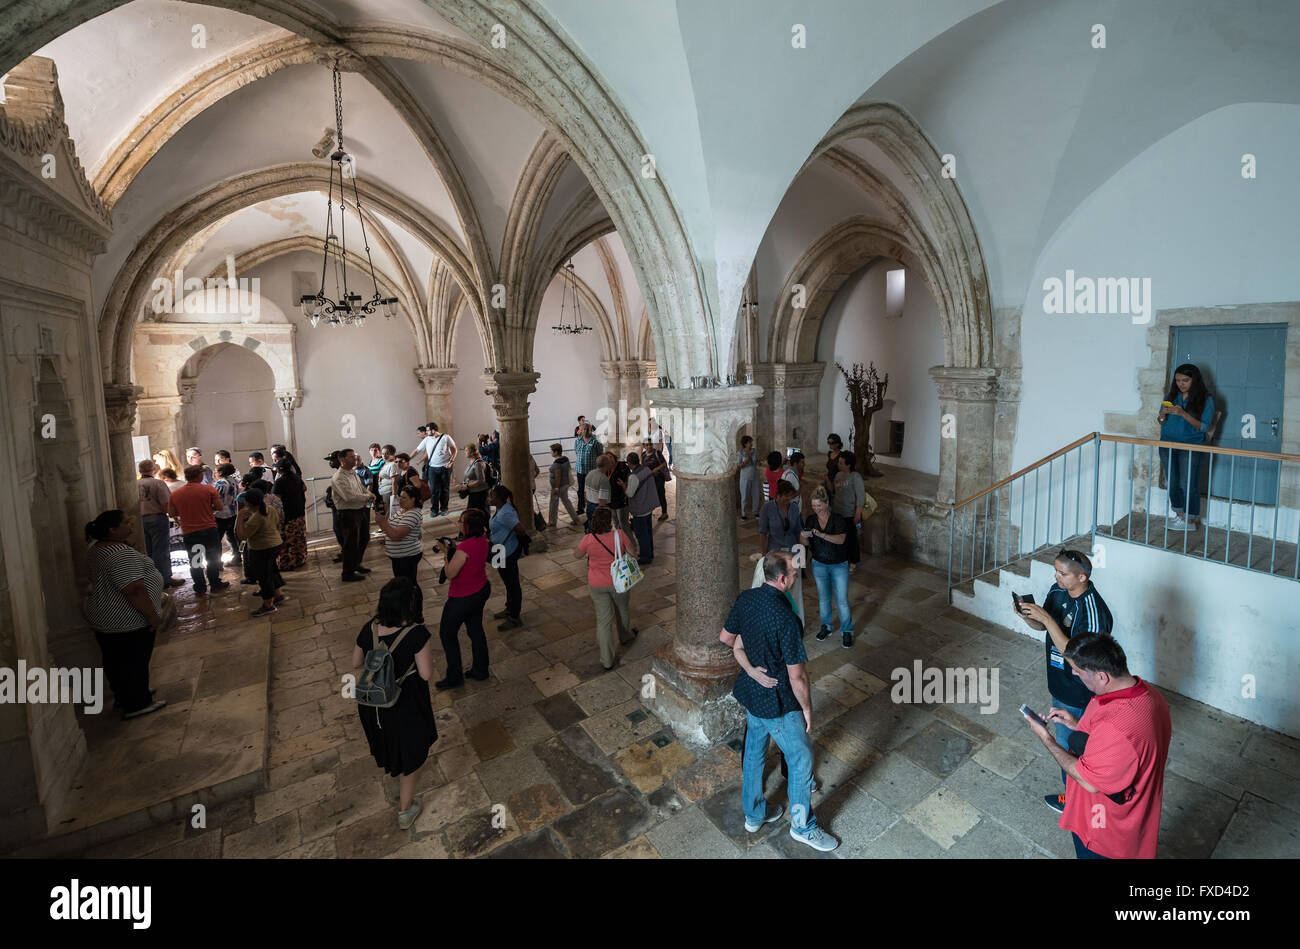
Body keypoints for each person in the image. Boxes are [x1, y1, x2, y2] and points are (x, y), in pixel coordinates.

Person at [719, 551, 838, 852]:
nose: (799, 574)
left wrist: (749, 669)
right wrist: (808, 708)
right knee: (801, 760)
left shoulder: (746, 599)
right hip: (778, 702)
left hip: (752, 695)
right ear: (782, 579)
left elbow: (726, 638)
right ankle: (803, 826)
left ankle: (754, 815)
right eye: (796, 571)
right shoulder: (787, 618)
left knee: (754, 753)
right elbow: (797, 677)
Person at [1021, 633, 1170, 859]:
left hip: (1104, 829)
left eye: (1078, 671)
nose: (1074, 673)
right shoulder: (1149, 694)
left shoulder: (1118, 729)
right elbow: (1121, 747)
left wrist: (1047, 739)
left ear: (1102, 677)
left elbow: (1089, 781)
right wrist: (1077, 724)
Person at [1015, 548, 1114, 801]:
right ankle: (1073, 795)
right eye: (1056, 572)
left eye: (1064, 573)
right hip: (1058, 683)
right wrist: (1029, 617)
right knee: (1066, 743)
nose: (1058, 578)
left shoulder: (1093, 610)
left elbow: (1077, 656)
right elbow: (1043, 626)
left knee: (1072, 749)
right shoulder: (1057, 590)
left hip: (1079, 692)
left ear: (1083, 577)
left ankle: (1075, 800)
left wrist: (1047, 620)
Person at [353, 577, 438, 829]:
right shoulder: (416, 634)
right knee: (409, 758)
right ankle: (405, 810)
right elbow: (425, 674)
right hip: (404, 705)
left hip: (372, 705)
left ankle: (395, 769)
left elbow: (356, 662)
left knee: (389, 744)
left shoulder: (370, 627)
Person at [83, 510, 167, 720]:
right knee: (134, 660)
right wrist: (152, 614)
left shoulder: (98, 549)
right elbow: (134, 589)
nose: (130, 526)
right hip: (126, 619)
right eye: (125, 523)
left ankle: (128, 695)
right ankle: (137, 703)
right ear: (112, 530)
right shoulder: (120, 554)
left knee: (117, 661)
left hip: (108, 618)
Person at [430, 508, 491, 689]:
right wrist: (453, 551)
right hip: (480, 589)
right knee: (476, 631)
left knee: (447, 634)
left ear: (468, 526)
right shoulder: (483, 539)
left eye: (460, 521)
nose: (458, 524)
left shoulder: (464, 547)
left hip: (462, 598)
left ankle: (454, 677)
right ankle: (481, 670)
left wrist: (445, 554)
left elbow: (450, 573)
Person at [577, 507, 637, 670]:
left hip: (597, 584)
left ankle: (607, 660)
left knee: (603, 621)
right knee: (622, 609)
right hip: (619, 582)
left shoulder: (588, 539)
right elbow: (633, 552)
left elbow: (577, 555)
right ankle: (625, 636)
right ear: (610, 521)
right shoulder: (619, 535)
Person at [1158, 363, 1215, 531]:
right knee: (1173, 482)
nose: (1180, 384)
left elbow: (1204, 427)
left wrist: (1183, 413)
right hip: (1167, 443)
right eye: (1177, 380)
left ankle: (1190, 520)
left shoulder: (1206, 399)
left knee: (1187, 483)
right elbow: (1160, 421)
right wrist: (1162, 415)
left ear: (1194, 380)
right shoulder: (1170, 395)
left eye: (1185, 380)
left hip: (1191, 446)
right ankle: (1179, 515)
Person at [801, 486, 853, 647]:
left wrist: (822, 535)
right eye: (814, 505)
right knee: (823, 598)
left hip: (839, 565)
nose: (816, 509)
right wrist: (802, 536)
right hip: (819, 564)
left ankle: (847, 631)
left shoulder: (838, 519)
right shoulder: (810, 519)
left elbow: (841, 539)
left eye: (819, 505)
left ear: (827, 503)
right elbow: (805, 543)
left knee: (842, 599)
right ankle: (826, 626)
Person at [167, 465, 228, 597]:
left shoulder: (176, 494)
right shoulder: (208, 489)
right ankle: (215, 584)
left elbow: (171, 513)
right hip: (209, 528)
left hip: (190, 531)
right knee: (213, 559)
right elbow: (219, 506)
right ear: (199, 476)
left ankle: (200, 588)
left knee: (196, 562)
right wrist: (207, 509)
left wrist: (184, 513)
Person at [755, 479, 804, 628]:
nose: (789, 500)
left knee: (794, 587)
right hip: (774, 550)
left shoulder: (794, 508)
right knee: (776, 587)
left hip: (792, 551)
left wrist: (801, 553)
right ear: (778, 495)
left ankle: (794, 618)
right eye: (786, 496)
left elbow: (798, 531)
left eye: (791, 496)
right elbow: (762, 532)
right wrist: (764, 554)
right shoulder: (767, 508)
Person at [375, 483, 425, 623]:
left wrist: (382, 523)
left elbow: (396, 535)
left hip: (407, 556)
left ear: (413, 499)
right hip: (399, 557)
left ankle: (416, 614)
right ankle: (409, 612)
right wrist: (383, 515)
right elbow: (391, 526)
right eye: (399, 497)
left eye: (403, 498)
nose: (399, 500)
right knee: (406, 585)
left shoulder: (413, 514)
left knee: (410, 585)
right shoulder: (403, 511)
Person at [236, 487, 285, 616]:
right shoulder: (270, 509)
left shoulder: (256, 518)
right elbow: (278, 521)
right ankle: (278, 594)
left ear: (247, 503)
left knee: (264, 576)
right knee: (272, 569)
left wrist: (239, 517)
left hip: (262, 548)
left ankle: (268, 604)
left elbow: (242, 536)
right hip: (275, 544)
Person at [331, 448, 373, 582]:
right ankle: (347, 573)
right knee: (351, 543)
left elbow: (361, 488)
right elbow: (349, 497)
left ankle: (356, 564)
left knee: (364, 538)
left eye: (354, 456)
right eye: (351, 457)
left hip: (360, 510)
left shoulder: (352, 472)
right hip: (348, 512)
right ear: (342, 460)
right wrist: (367, 497)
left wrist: (368, 494)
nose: (354, 459)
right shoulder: (338, 477)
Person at [488, 485, 524, 631]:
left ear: (498, 499)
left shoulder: (505, 514)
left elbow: (520, 530)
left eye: (491, 496)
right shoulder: (502, 509)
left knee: (512, 584)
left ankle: (515, 617)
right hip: (499, 550)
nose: (489, 499)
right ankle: (509, 608)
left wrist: (514, 547)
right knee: (507, 582)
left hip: (506, 552)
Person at [137, 459, 177, 585]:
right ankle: (164, 579)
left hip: (141, 519)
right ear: (153, 469)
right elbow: (166, 504)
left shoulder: (134, 484)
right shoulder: (158, 483)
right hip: (157, 518)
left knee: (147, 551)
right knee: (161, 550)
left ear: (139, 470)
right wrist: (175, 517)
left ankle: (151, 580)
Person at [414, 423, 456, 518]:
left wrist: (451, 461)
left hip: (445, 467)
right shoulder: (427, 439)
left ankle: (444, 508)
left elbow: (455, 450)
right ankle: (434, 509)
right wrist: (407, 458)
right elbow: (417, 450)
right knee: (434, 490)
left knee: (444, 489)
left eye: (428, 430)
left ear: (433, 430)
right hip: (432, 468)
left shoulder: (446, 437)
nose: (426, 432)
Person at [831, 450, 866, 567]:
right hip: (837, 511)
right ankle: (842, 559)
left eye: (841, 463)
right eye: (839, 462)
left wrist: (857, 514)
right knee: (839, 538)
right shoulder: (838, 475)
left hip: (849, 513)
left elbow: (861, 497)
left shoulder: (855, 477)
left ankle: (853, 561)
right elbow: (836, 492)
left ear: (848, 465)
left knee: (851, 539)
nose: (838, 465)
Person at [273, 459, 308, 570]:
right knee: (299, 537)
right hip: (299, 513)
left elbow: (276, 499)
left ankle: (287, 563)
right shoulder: (297, 478)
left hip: (287, 515)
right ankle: (300, 559)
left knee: (287, 541)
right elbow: (305, 488)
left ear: (279, 469)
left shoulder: (279, 482)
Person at [626, 452, 658, 565]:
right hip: (648, 507)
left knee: (641, 534)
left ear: (630, 463)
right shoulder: (646, 470)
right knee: (648, 532)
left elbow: (630, 494)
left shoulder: (633, 476)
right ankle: (649, 553)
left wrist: (624, 486)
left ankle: (645, 557)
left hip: (640, 509)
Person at [213, 463, 242, 571]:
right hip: (232, 512)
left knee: (217, 539)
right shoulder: (233, 481)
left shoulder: (220, 483)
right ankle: (237, 557)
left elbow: (216, 498)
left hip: (220, 514)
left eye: (215, 471)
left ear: (220, 472)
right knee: (232, 537)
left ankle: (217, 563)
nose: (214, 474)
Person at [547, 443, 581, 527]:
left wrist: (556, 488)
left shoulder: (557, 463)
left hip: (558, 486)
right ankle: (575, 519)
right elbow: (568, 469)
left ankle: (552, 522)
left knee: (553, 504)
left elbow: (558, 476)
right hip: (565, 484)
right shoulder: (566, 459)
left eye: (551, 451)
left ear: (556, 452)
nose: (550, 452)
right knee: (566, 501)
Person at [573, 421, 603, 507]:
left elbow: (600, 454)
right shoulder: (578, 441)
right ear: (580, 430)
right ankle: (581, 507)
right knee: (581, 490)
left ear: (590, 430)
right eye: (583, 429)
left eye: (586, 429)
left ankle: (593, 507)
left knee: (592, 491)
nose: (585, 431)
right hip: (580, 470)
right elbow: (576, 452)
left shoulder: (595, 442)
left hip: (591, 471)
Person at [640, 438, 670, 521]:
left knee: (660, 494)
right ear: (644, 446)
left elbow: (664, 463)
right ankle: (649, 511)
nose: (649, 446)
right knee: (649, 495)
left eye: (650, 444)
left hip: (658, 478)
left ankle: (664, 513)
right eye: (647, 445)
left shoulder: (657, 453)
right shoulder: (643, 455)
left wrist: (655, 469)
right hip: (649, 479)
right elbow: (643, 465)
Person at [583, 451, 613, 532]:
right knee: (599, 531)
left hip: (589, 505)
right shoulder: (603, 479)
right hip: (598, 509)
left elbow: (585, 493)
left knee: (591, 527)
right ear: (606, 464)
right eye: (609, 462)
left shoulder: (590, 473)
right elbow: (602, 501)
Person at [460, 443, 490, 517]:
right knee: (473, 515)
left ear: (471, 452)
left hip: (480, 494)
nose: (465, 452)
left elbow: (481, 480)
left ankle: (488, 528)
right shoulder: (472, 462)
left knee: (482, 514)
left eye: (466, 450)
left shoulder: (478, 464)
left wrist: (467, 485)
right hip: (474, 493)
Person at [609, 453, 633, 547]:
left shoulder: (622, 467)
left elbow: (629, 480)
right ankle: (622, 544)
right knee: (616, 524)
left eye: (610, 457)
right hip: (611, 502)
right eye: (607, 458)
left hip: (621, 501)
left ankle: (632, 545)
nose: (609, 459)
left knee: (624, 524)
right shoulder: (607, 470)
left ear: (614, 458)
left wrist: (625, 487)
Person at [737, 435, 761, 519]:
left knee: (756, 494)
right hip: (745, 477)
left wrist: (758, 462)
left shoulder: (754, 451)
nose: (751, 444)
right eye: (750, 442)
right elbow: (739, 466)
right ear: (745, 443)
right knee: (744, 496)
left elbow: (755, 461)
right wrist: (746, 461)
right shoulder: (740, 452)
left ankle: (755, 512)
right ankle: (744, 514)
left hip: (755, 476)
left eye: (751, 442)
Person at [376, 444, 399, 514]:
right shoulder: (386, 464)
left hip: (388, 491)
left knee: (389, 512)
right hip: (383, 491)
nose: (384, 455)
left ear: (392, 454)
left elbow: (394, 480)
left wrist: (394, 494)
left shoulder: (392, 465)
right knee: (386, 512)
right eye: (383, 454)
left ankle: (390, 524)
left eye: (387, 453)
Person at [823, 433, 844, 498]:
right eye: (828, 442)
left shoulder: (842, 455)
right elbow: (829, 469)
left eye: (831, 443)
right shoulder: (830, 454)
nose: (829, 445)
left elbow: (842, 472)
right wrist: (827, 480)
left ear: (837, 444)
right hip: (828, 481)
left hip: (837, 483)